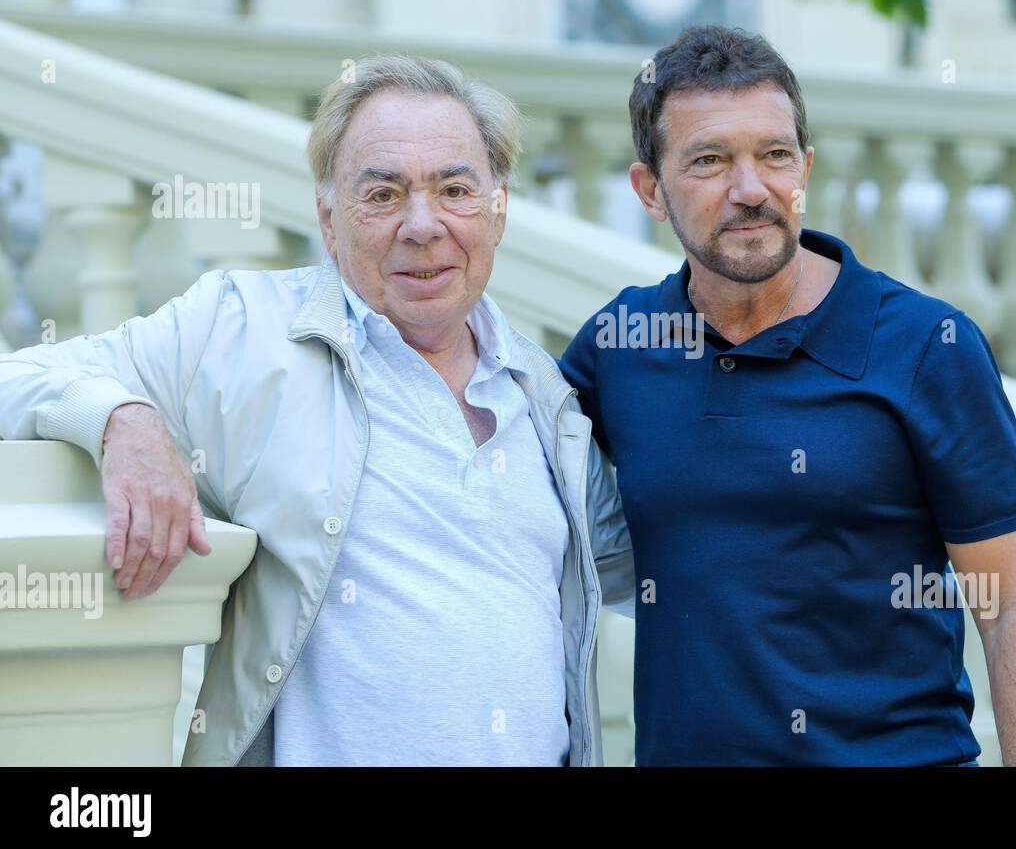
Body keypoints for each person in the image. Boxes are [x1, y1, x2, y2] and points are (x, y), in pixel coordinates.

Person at [0, 55, 633, 766]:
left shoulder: (542, 393)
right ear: (330, 222)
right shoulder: (241, 332)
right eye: (384, 195)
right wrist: (123, 421)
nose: (422, 225)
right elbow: (16, 377)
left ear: (498, 209)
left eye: (454, 189)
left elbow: (644, 567)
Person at [560, 25, 1016, 766]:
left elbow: (1015, 607)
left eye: (774, 155)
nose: (750, 189)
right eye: (709, 161)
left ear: (805, 167)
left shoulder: (928, 347)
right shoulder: (623, 344)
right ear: (650, 190)